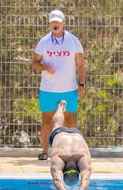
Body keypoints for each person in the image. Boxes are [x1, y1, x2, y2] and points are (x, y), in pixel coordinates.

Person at [32, 9, 86, 161]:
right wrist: (44, 67)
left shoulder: (73, 41)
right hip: (48, 89)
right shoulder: (43, 42)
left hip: (69, 89)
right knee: (47, 120)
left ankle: (69, 152)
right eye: (52, 22)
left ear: (64, 23)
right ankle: (45, 152)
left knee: (70, 121)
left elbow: (81, 64)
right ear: (49, 23)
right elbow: (35, 63)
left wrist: (81, 84)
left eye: (58, 21)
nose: (55, 24)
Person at [46, 100, 91, 190]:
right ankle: (60, 107)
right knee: (56, 125)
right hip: (60, 134)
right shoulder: (59, 157)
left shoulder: (81, 156)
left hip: (77, 134)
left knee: (57, 125)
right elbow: (57, 180)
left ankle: (60, 106)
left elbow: (85, 178)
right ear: (63, 171)